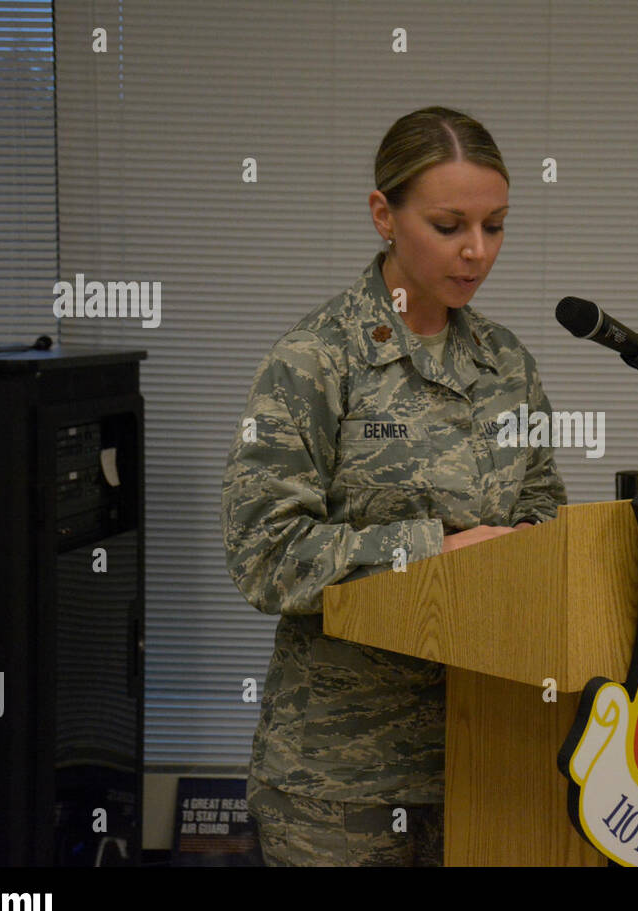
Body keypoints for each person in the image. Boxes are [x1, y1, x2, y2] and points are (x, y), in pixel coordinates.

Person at [220, 106, 568, 866]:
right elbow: (264, 554)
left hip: (490, 758)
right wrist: (436, 552)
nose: (477, 251)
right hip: (342, 782)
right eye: (449, 226)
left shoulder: (507, 363)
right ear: (384, 214)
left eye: (497, 226)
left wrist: (533, 548)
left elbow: (543, 504)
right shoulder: (314, 361)